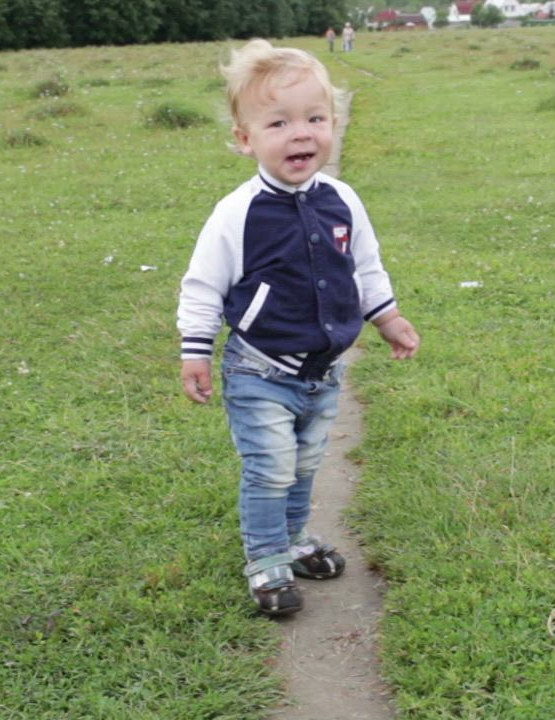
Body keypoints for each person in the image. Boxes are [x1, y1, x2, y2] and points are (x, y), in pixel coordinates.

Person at [178, 39, 419, 616]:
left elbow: (364, 266)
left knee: (307, 464)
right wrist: (196, 351)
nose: (301, 133)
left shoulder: (342, 200)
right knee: (270, 468)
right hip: (259, 368)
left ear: (333, 124)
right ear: (246, 139)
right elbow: (203, 284)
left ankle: (291, 538)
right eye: (279, 122)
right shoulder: (238, 213)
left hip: (323, 371)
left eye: (315, 118)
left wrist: (387, 317)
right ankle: (265, 560)